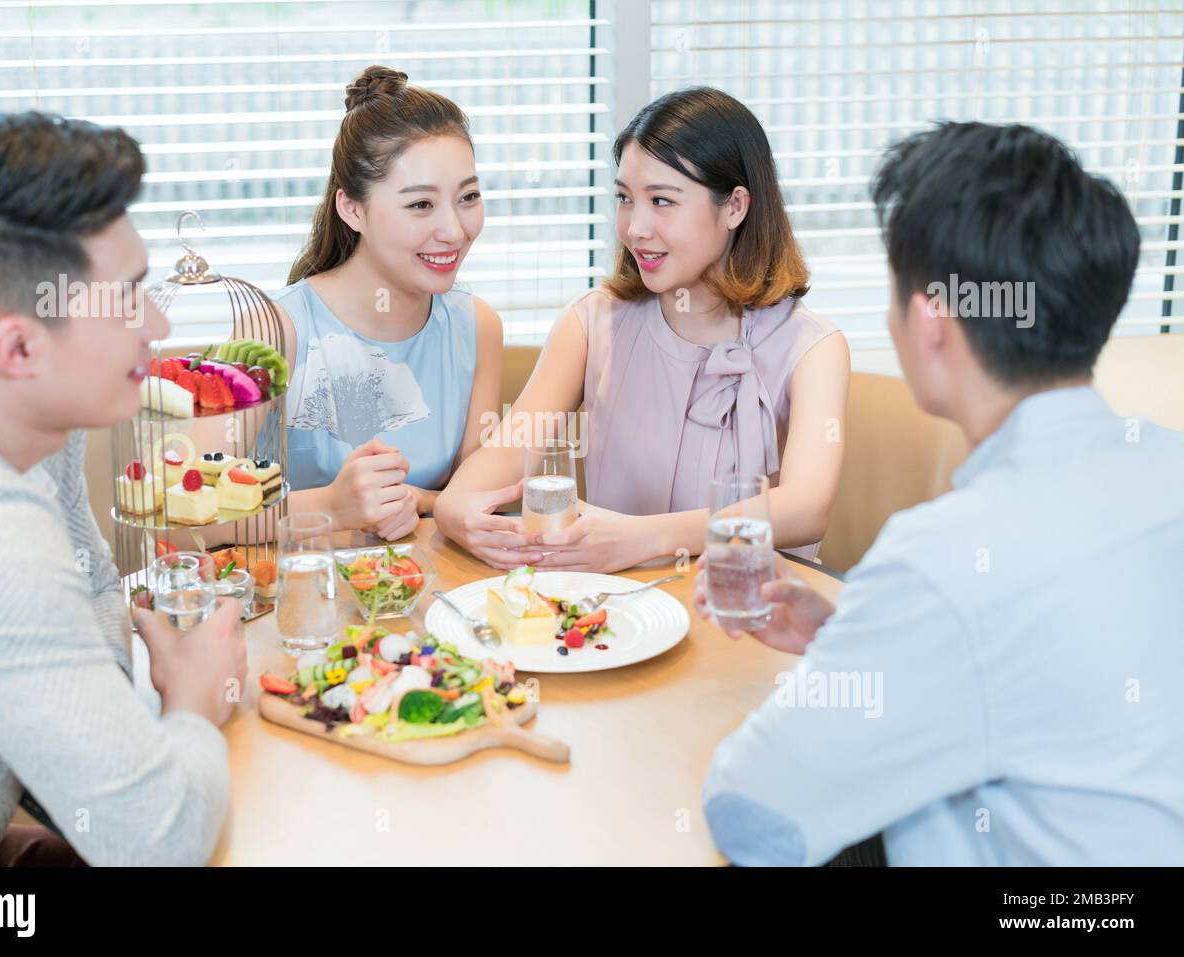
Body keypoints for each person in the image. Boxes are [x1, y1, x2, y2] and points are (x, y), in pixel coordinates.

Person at [697, 121, 1184, 865]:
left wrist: (885, 633)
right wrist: (853, 636)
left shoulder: (948, 558)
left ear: (931, 320)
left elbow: (755, 815)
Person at [0, 112, 246, 866]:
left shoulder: (3, 402)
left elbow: (93, 603)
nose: (155, 325)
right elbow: (160, 843)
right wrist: (194, 699)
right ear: (17, 345)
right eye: (126, 299)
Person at [435, 87, 849, 573]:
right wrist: (454, 507)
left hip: (744, 612)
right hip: (616, 614)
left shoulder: (813, 348)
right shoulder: (592, 323)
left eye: (662, 201)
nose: (635, 228)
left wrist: (644, 537)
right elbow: (506, 452)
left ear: (735, 206)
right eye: (625, 199)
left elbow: (806, 509)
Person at [264, 65, 504, 542]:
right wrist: (330, 507)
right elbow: (184, 519)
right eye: (420, 205)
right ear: (352, 209)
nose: (455, 231)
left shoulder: (476, 325)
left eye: (468, 197)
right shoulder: (277, 328)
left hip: (430, 601)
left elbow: (481, 500)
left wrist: (417, 501)